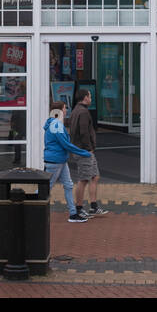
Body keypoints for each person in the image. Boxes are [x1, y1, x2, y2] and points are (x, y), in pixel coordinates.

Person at [45, 100, 91, 223]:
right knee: (46, 188)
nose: (66, 110)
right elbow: (66, 144)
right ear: (59, 111)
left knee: (68, 185)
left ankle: (73, 213)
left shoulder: (56, 124)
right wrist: (84, 153)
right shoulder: (56, 125)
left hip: (60, 160)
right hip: (55, 161)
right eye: (65, 108)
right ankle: (29, 208)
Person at [68, 88, 105, 217]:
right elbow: (83, 132)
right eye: (89, 96)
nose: (91, 98)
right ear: (85, 98)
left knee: (95, 176)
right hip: (84, 151)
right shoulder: (83, 112)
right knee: (83, 179)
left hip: (83, 150)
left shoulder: (75, 110)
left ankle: (93, 206)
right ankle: (79, 208)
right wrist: (88, 148)